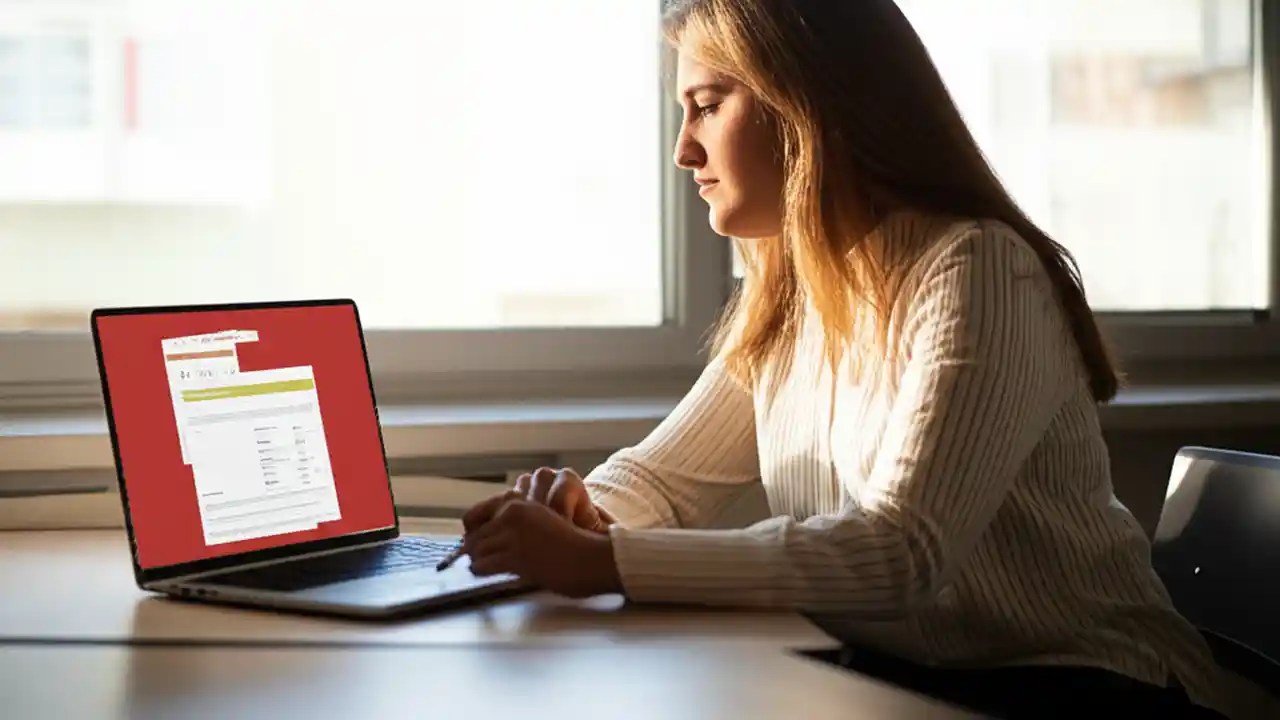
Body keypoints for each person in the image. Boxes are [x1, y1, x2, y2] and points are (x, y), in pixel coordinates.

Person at [455, 1, 1231, 717]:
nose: (683, 149)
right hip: (902, 675)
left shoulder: (978, 269)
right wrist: (585, 511)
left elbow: (901, 552)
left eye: (707, 105)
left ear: (806, 104)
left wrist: (602, 561)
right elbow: (663, 480)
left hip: (1083, 684)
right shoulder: (795, 289)